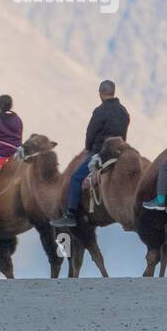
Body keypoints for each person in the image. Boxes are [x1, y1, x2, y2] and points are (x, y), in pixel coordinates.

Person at [52, 80, 130, 227]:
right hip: (120, 150)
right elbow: (123, 134)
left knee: (75, 178)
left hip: (101, 151)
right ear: (113, 92)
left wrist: (88, 148)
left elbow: (91, 132)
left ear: (100, 93)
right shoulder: (124, 111)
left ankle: (71, 214)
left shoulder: (100, 111)